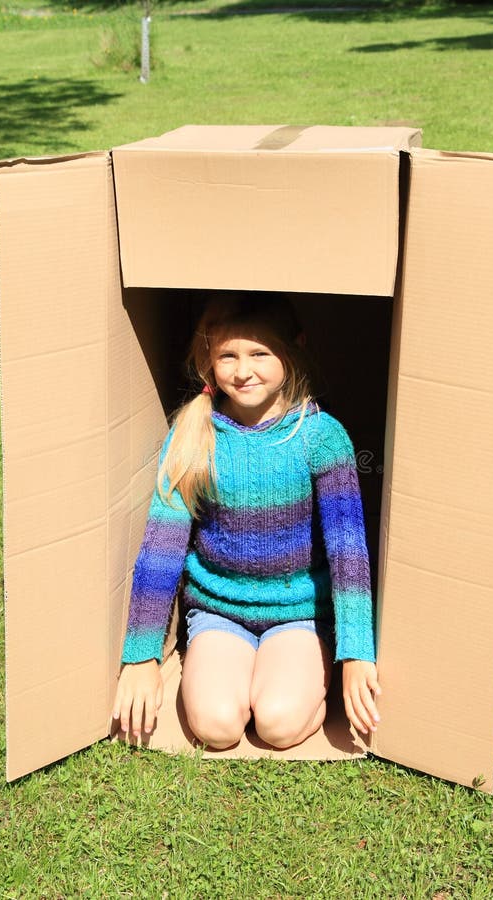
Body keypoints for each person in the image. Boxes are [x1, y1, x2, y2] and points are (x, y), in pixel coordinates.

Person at [112, 293, 381, 750]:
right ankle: (241, 676)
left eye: (260, 353)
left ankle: (296, 684)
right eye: (227, 356)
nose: (242, 370)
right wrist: (140, 657)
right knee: (216, 727)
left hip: (297, 614)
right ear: (208, 359)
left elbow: (349, 555)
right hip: (218, 612)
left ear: (293, 348)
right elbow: (161, 549)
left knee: (277, 723)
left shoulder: (320, 436)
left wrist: (355, 652)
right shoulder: (194, 434)